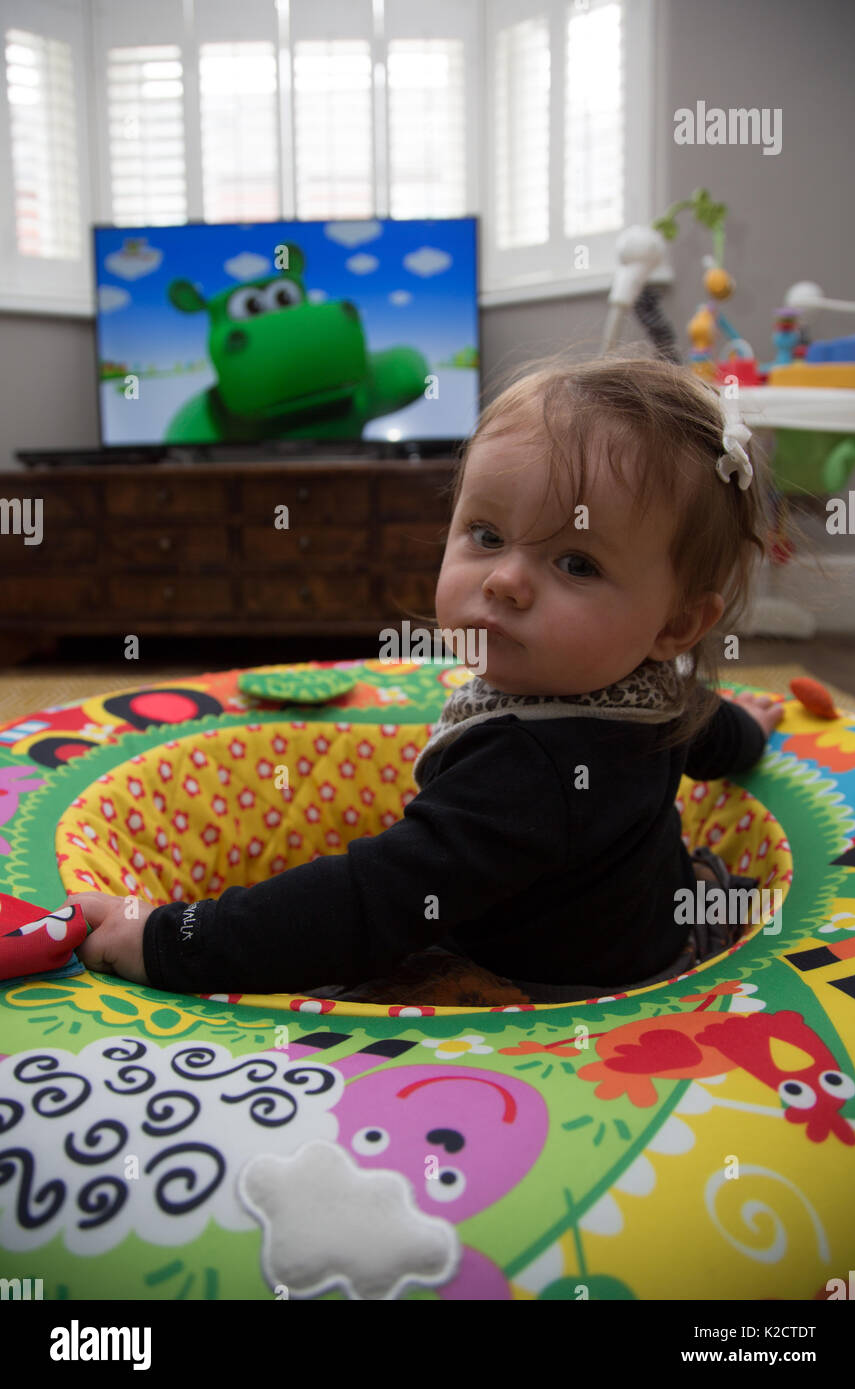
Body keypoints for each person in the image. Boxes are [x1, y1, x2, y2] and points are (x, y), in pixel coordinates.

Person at [69, 353, 785, 1002]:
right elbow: (712, 731)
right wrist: (749, 730)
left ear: (676, 625)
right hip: (651, 930)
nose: (505, 580)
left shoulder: (531, 767)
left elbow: (372, 900)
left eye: (576, 563)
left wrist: (170, 938)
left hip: (551, 994)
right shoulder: (653, 686)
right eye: (487, 534)